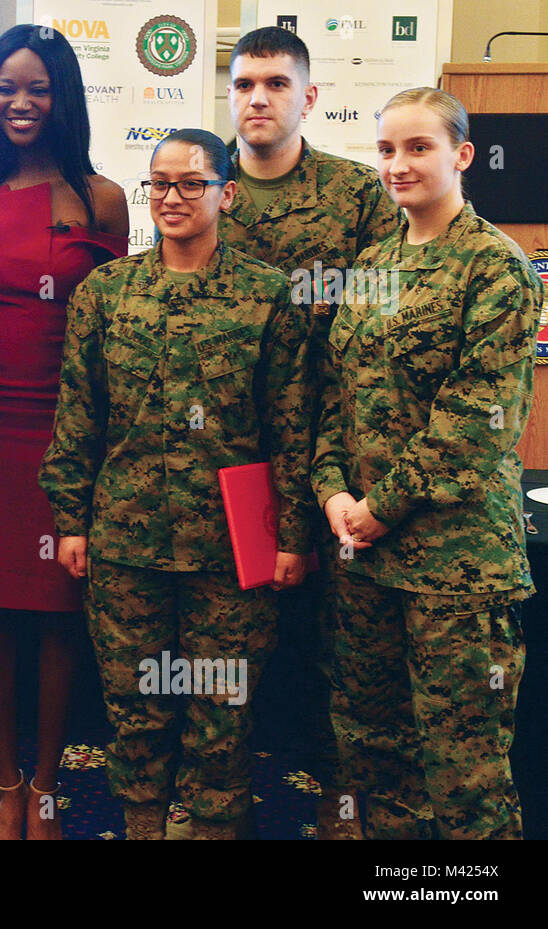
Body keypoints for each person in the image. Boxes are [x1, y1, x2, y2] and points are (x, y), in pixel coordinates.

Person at [40, 129, 313, 840]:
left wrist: (292, 538)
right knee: (136, 709)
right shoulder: (107, 292)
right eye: (159, 183)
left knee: (222, 713)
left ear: (227, 193)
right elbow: (78, 415)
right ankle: (142, 825)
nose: (172, 197)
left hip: (231, 552)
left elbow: (290, 427)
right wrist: (70, 522)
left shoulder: (266, 295)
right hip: (126, 543)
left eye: (192, 183)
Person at [312, 87, 538, 840]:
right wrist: (333, 489)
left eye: (418, 148)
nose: (398, 165)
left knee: (464, 769)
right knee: (375, 755)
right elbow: (335, 394)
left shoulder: (496, 269)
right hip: (365, 560)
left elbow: (476, 420)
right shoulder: (371, 262)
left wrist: (381, 505)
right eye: (386, 150)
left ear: (461, 155)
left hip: (454, 563)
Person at [0, 23, 127, 840]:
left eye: (37, 87)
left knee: (58, 608)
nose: (20, 102)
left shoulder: (102, 199)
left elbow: (114, 332)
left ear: (63, 97)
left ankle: (47, 785)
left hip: (70, 427)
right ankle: (6, 782)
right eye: (5, 88)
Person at [219, 25, 399, 839]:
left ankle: (342, 795)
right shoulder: (198, 181)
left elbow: (383, 327)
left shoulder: (358, 196)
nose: (259, 98)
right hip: (225, 450)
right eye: (246, 84)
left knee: (341, 637)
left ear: (309, 97)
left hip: (332, 447)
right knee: (227, 630)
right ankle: (221, 793)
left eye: (276, 84)